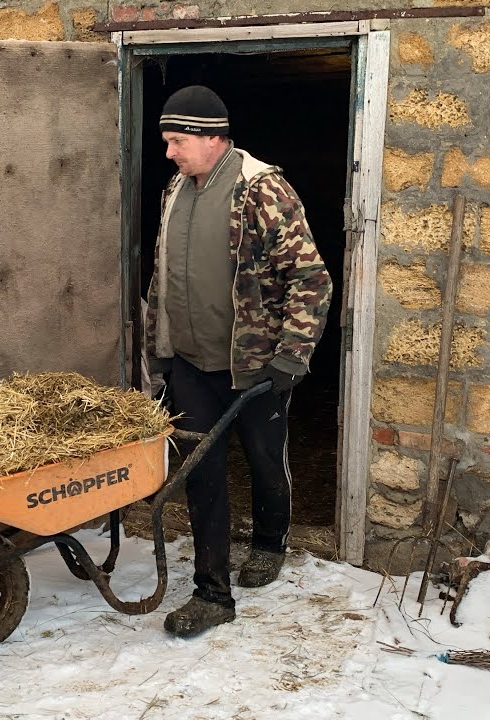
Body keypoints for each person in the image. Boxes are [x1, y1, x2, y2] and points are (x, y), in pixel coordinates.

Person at [144, 85, 333, 638]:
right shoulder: (175, 189)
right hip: (191, 362)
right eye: (167, 141)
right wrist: (160, 354)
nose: (169, 152)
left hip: (254, 365)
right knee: (202, 468)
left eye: (177, 141)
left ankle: (270, 542)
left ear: (211, 137)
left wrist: (291, 357)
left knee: (263, 457)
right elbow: (164, 277)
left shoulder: (262, 190)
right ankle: (212, 591)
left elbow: (311, 278)